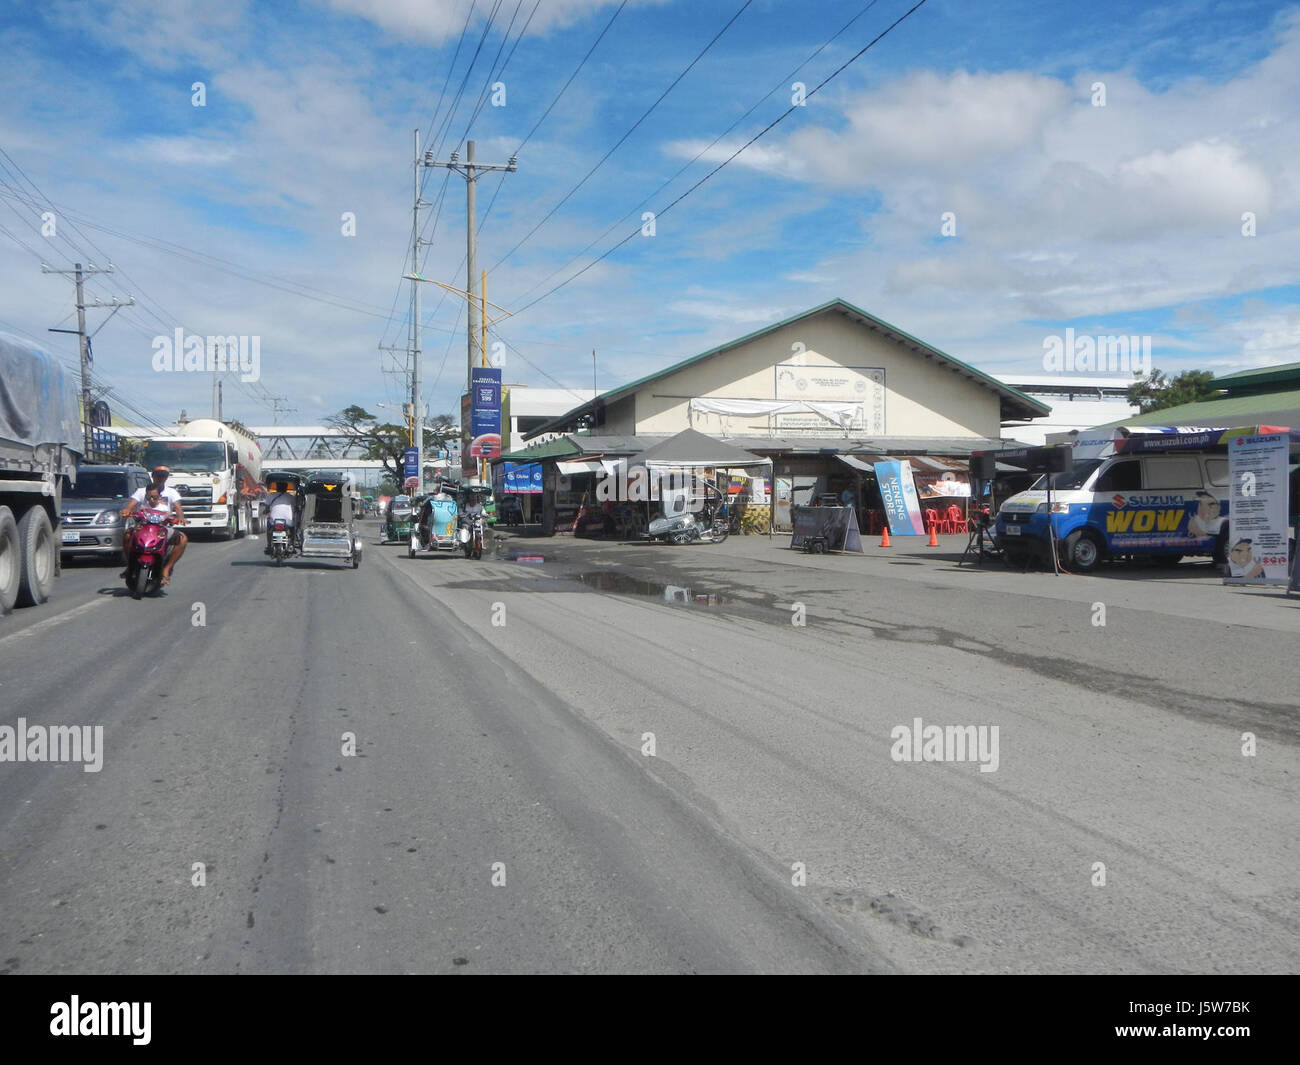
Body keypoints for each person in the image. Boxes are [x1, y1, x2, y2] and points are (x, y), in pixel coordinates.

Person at [121, 465, 187, 585]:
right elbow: (130, 505)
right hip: (142, 526)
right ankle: (129, 565)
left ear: (167, 478)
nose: (161, 478)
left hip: (163, 528)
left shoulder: (171, 492)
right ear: (153, 476)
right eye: (158, 475)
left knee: (182, 539)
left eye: (164, 476)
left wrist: (180, 518)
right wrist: (126, 511)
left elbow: (178, 508)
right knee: (127, 535)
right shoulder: (141, 491)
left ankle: (166, 569)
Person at [263, 484, 298, 554]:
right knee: (293, 529)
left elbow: (267, 507)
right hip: (287, 521)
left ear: (276, 488)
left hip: (274, 521)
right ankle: (292, 544)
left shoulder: (270, 496)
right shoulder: (290, 497)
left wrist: (266, 511)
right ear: (286, 488)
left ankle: (269, 545)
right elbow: (295, 506)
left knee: (269, 529)